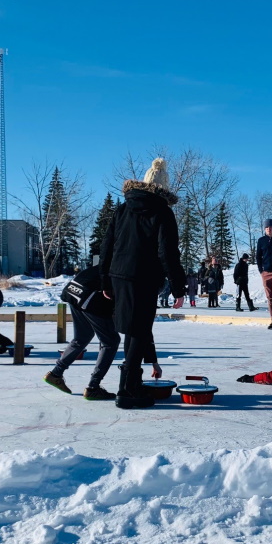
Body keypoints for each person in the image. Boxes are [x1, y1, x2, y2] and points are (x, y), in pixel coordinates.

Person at [100, 157, 186, 409]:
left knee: (132, 329)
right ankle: (128, 390)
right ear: (163, 188)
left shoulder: (123, 208)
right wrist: (179, 286)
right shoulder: (163, 211)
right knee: (138, 330)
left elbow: (107, 245)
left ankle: (129, 384)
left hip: (118, 275)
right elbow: (168, 252)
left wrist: (105, 279)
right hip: (144, 277)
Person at [42, 262, 120, 400]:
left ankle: (55, 374)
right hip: (90, 295)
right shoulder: (132, 268)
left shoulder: (121, 257)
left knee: (82, 337)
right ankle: (93, 388)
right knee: (111, 341)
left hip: (74, 290)